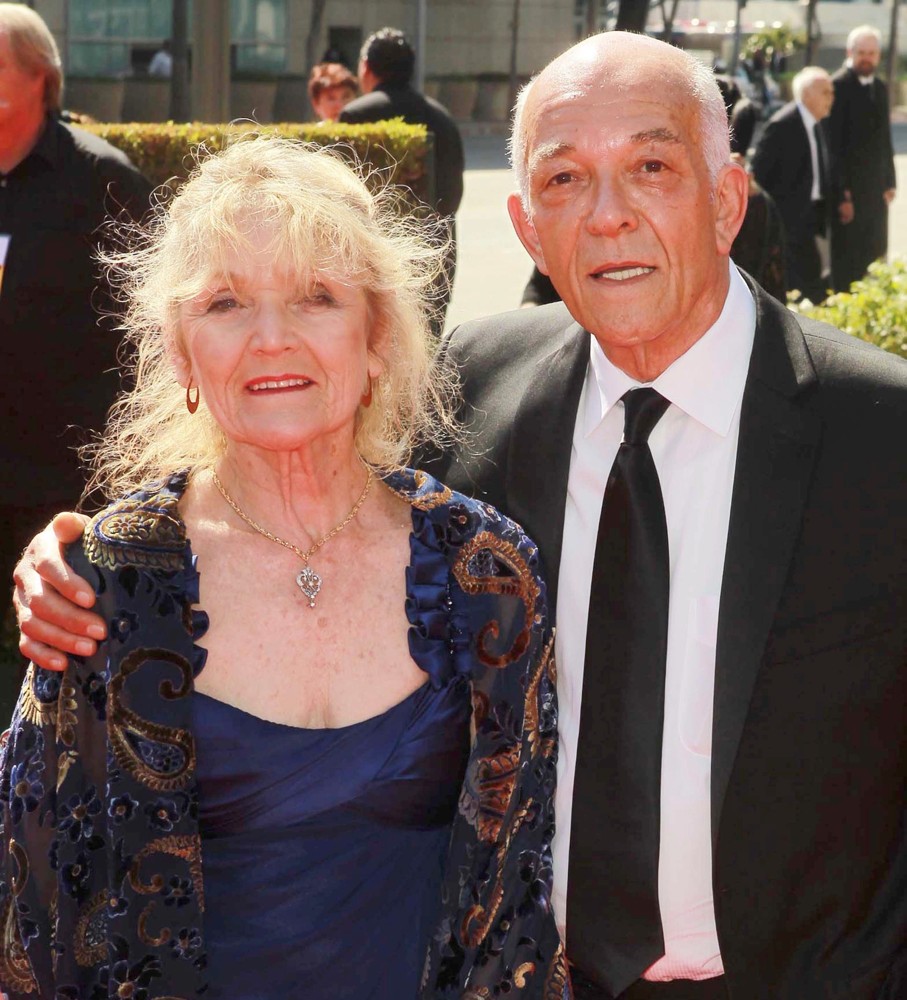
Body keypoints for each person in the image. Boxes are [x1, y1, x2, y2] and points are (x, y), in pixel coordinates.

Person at [13, 29, 907, 1000]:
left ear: (728, 198)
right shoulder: (481, 394)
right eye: (565, 180)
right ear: (525, 224)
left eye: (650, 167)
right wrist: (62, 557)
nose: (607, 217)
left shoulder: (882, 435)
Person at [0, 137, 567, 999]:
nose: (272, 338)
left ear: (376, 337)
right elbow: (36, 918)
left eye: (316, 297)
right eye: (225, 302)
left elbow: (518, 891)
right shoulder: (103, 583)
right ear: (182, 351)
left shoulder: (481, 573)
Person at [0, 3, 152, 719]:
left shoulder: (102, 180)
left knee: (62, 674)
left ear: (41, 78)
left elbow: (149, 335)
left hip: (64, 481)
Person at [339, 27, 464, 322]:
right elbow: (453, 193)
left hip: (375, 255)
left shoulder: (356, 115)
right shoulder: (441, 117)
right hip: (437, 250)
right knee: (428, 347)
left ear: (366, 68)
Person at [752, 66, 836, 302]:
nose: (832, 98)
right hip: (787, 222)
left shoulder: (817, 123)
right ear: (807, 94)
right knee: (798, 286)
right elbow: (759, 174)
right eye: (826, 92)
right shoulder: (783, 124)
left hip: (811, 217)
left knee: (813, 280)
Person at [826, 24, 896, 292]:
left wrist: (890, 181)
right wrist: (843, 195)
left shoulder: (879, 87)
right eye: (862, 52)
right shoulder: (837, 86)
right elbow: (834, 146)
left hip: (876, 193)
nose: (867, 58)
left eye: (872, 52)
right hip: (849, 196)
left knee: (876, 256)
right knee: (850, 264)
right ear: (850, 52)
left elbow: (884, 139)